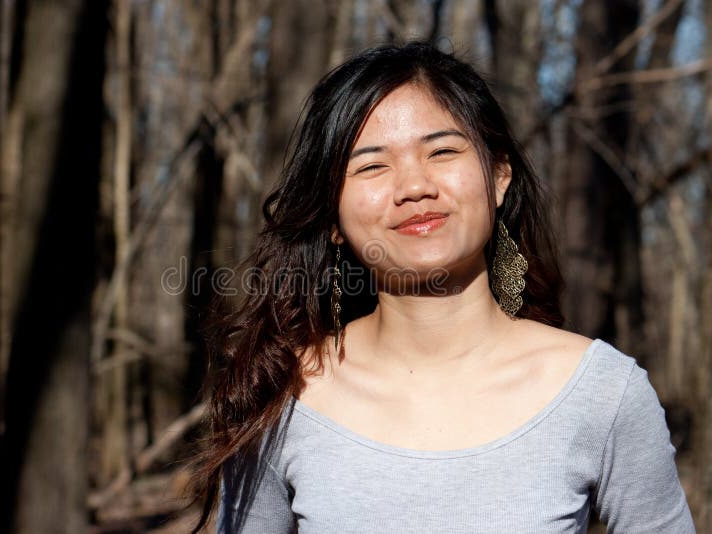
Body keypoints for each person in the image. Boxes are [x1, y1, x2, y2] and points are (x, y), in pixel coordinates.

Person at [188, 41, 696, 533]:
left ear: (499, 177)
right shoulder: (287, 394)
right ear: (332, 218)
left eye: (442, 151)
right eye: (371, 165)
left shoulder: (602, 392)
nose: (414, 187)